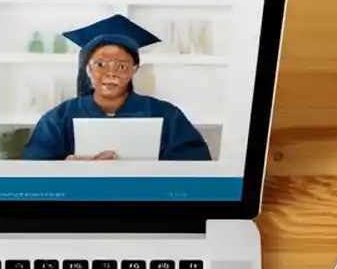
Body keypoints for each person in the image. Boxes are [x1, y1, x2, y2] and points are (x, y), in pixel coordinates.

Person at [21, 14, 212, 161]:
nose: (110, 73)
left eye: (121, 66)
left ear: (134, 69)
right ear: (88, 69)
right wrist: (66, 167)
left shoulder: (166, 115)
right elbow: (34, 168)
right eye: (101, 65)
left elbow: (196, 164)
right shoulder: (58, 119)